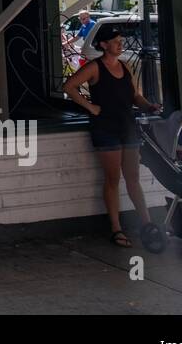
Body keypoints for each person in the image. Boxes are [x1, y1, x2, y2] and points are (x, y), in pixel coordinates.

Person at [64, 25, 162, 247]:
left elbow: (135, 95)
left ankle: (147, 223)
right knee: (113, 179)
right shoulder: (94, 68)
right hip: (105, 128)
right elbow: (69, 86)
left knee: (133, 178)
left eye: (121, 40)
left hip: (127, 126)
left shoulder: (125, 66)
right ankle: (116, 228)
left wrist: (149, 106)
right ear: (103, 45)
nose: (120, 43)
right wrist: (91, 107)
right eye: (116, 41)